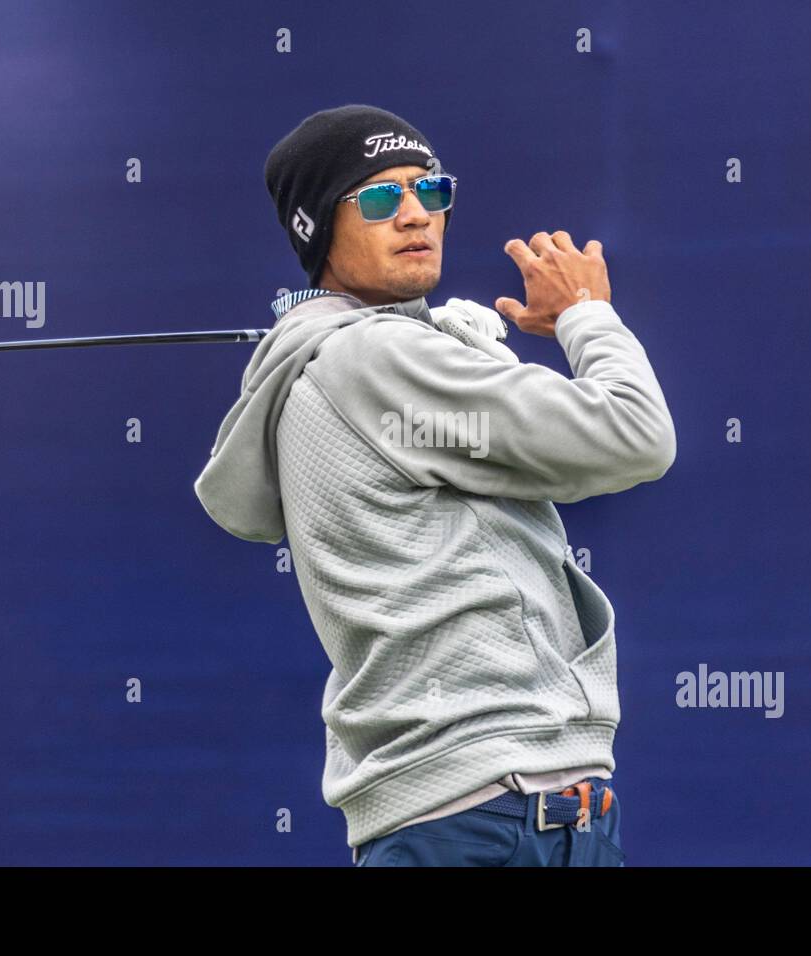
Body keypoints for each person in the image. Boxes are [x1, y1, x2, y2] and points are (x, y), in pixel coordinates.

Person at [194, 104, 675, 866]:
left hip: (506, 812)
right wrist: (588, 316)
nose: (416, 214)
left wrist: (461, 348)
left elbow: (470, 460)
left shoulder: (372, 359)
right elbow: (634, 434)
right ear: (317, 231)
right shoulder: (375, 361)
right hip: (489, 819)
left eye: (432, 191)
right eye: (380, 199)